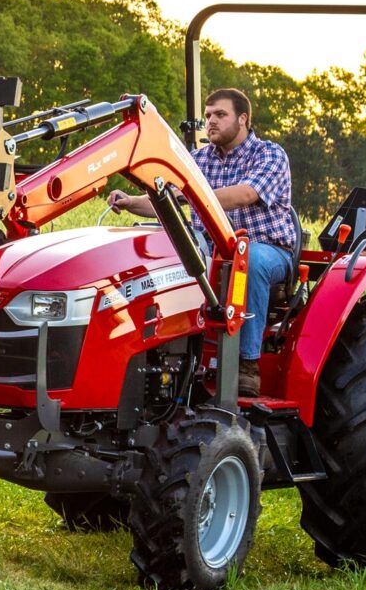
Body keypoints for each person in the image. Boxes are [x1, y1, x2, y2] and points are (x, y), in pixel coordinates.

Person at [106, 88, 298, 396]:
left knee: (250, 262)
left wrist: (187, 193)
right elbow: (164, 196)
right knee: (172, 253)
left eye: (220, 115)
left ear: (243, 119)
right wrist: (131, 201)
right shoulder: (197, 160)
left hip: (269, 251)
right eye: (208, 116)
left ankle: (246, 363)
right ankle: (175, 350)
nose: (211, 122)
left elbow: (246, 194)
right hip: (210, 250)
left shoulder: (269, 154)